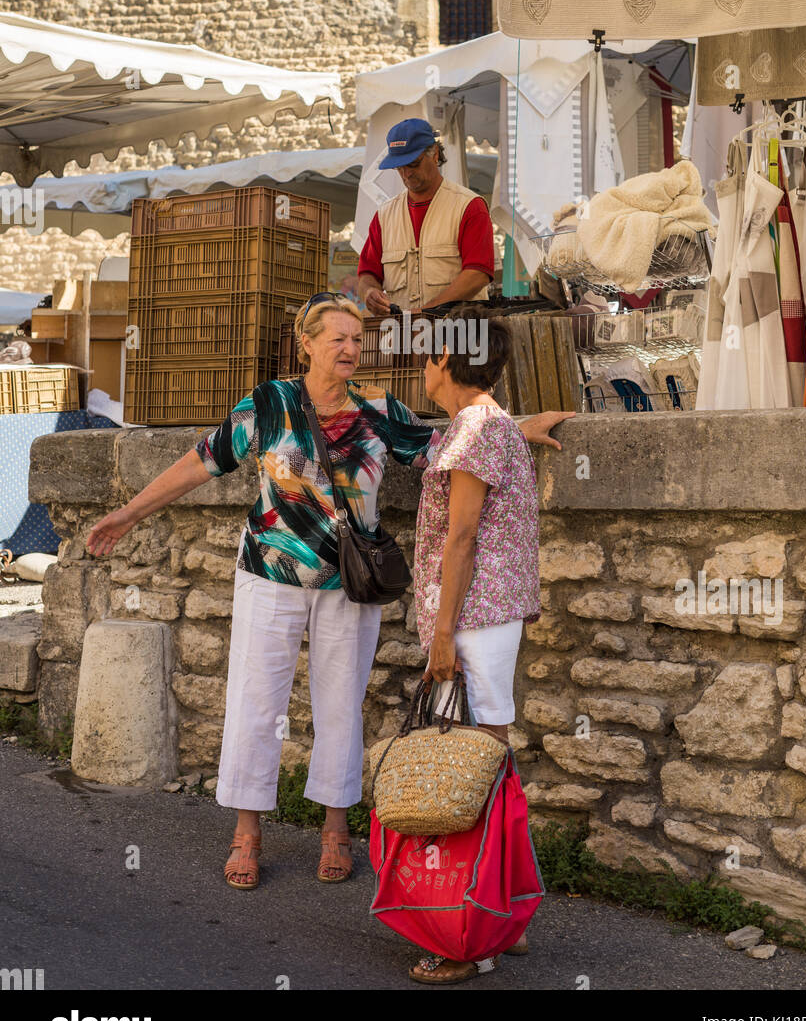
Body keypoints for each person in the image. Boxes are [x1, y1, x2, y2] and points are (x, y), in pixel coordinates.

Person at [84, 292, 570, 891]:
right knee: (256, 701)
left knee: (342, 705)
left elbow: (455, 447)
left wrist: (520, 427)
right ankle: (247, 832)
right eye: (336, 338)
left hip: (349, 582)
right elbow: (201, 461)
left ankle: (335, 829)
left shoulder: (378, 409)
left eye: (357, 339)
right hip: (270, 574)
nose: (349, 349)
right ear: (305, 343)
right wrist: (128, 515)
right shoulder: (269, 404)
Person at [405, 309, 545, 984]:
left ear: (449, 362)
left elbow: (460, 538)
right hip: (490, 615)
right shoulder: (493, 425)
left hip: (472, 619)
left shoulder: (475, 430)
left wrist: (440, 636)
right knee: (489, 769)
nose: (423, 365)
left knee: (468, 775)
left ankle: (469, 937)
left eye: (430, 354)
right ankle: (502, 915)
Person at [357, 117, 494, 315]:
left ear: (435, 154)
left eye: (413, 164)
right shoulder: (384, 215)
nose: (406, 174)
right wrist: (369, 291)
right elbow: (367, 273)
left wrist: (426, 311)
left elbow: (478, 274)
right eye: (398, 167)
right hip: (401, 336)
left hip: (460, 336)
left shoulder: (469, 206)